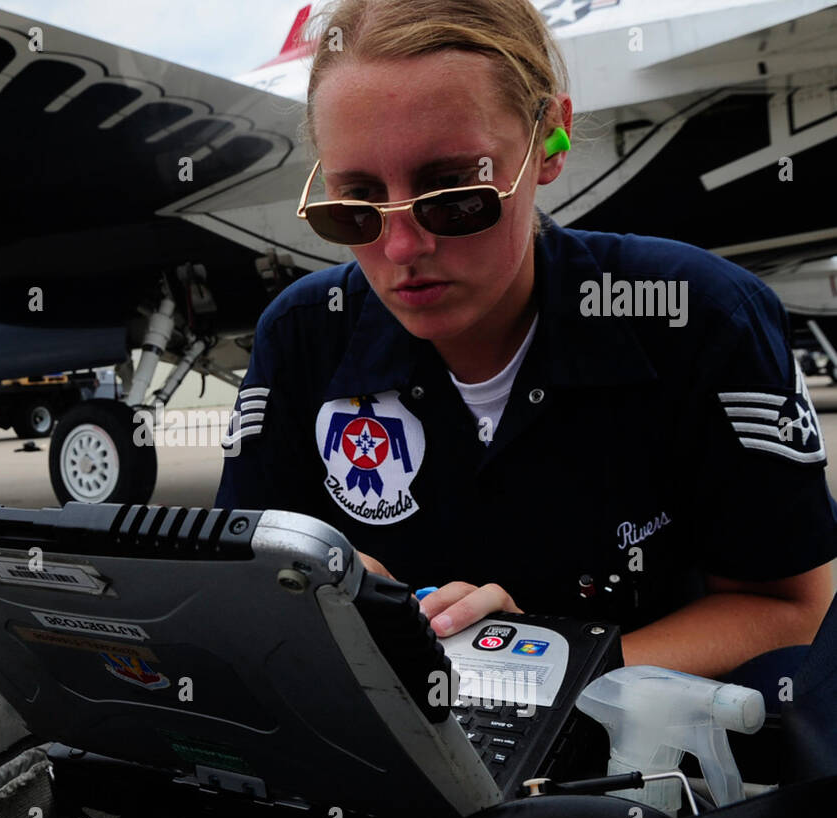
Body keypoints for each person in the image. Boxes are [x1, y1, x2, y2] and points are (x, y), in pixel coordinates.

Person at [214, 0, 837, 679]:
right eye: (355, 206)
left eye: (455, 193)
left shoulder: (699, 318)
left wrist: (547, 675)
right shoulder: (303, 338)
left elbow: (792, 607)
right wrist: (324, 594)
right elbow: (235, 599)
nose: (400, 247)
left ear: (550, 142)